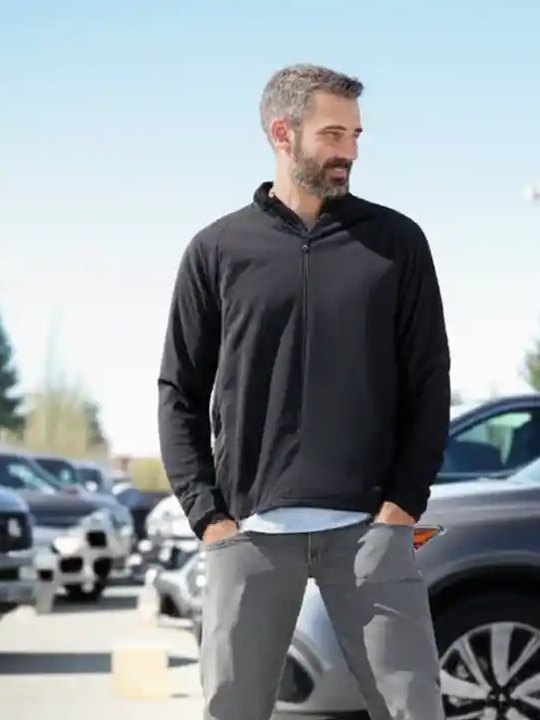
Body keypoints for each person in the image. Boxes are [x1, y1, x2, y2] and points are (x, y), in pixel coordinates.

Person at [156, 63, 451, 720]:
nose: (349, 151)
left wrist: (401, 509)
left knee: (415, 710)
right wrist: (211, 520)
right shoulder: (216, 250)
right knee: (232, 711)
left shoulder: (396, 243)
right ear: (282, 133)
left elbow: (430, 383)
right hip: (249, 534)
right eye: (334, 133)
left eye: (356, 135)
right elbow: (179, 391)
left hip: (370, 533)